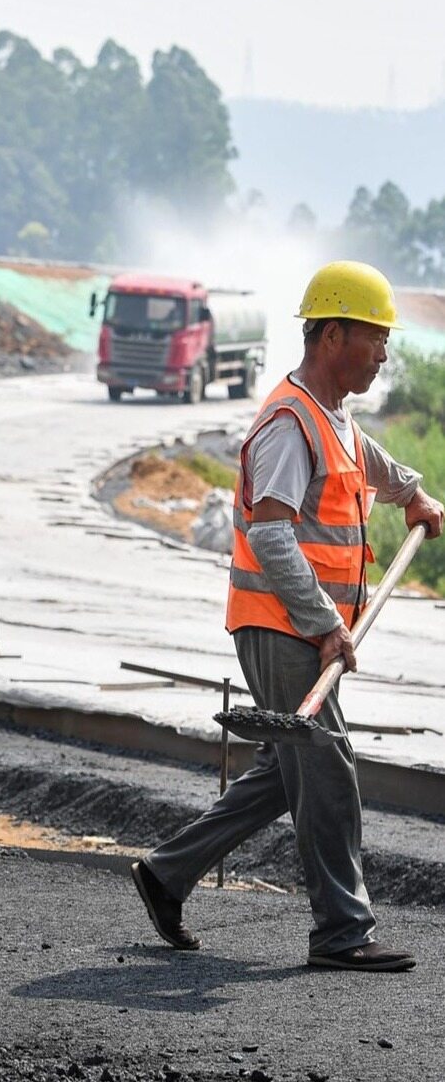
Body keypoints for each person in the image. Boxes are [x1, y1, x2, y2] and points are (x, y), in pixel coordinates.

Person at [132, 261, 443, 972]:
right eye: (375, 338)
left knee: (290, 766)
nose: (384, 354)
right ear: (333, 334)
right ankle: (341, 930)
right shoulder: (286, 421)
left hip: (302, 627)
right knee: (327, 765)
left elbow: (368, 463)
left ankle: (166, 874)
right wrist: (326, 621)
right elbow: (270, 534)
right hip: (283, 626)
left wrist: (414, 495)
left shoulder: (329, 415)